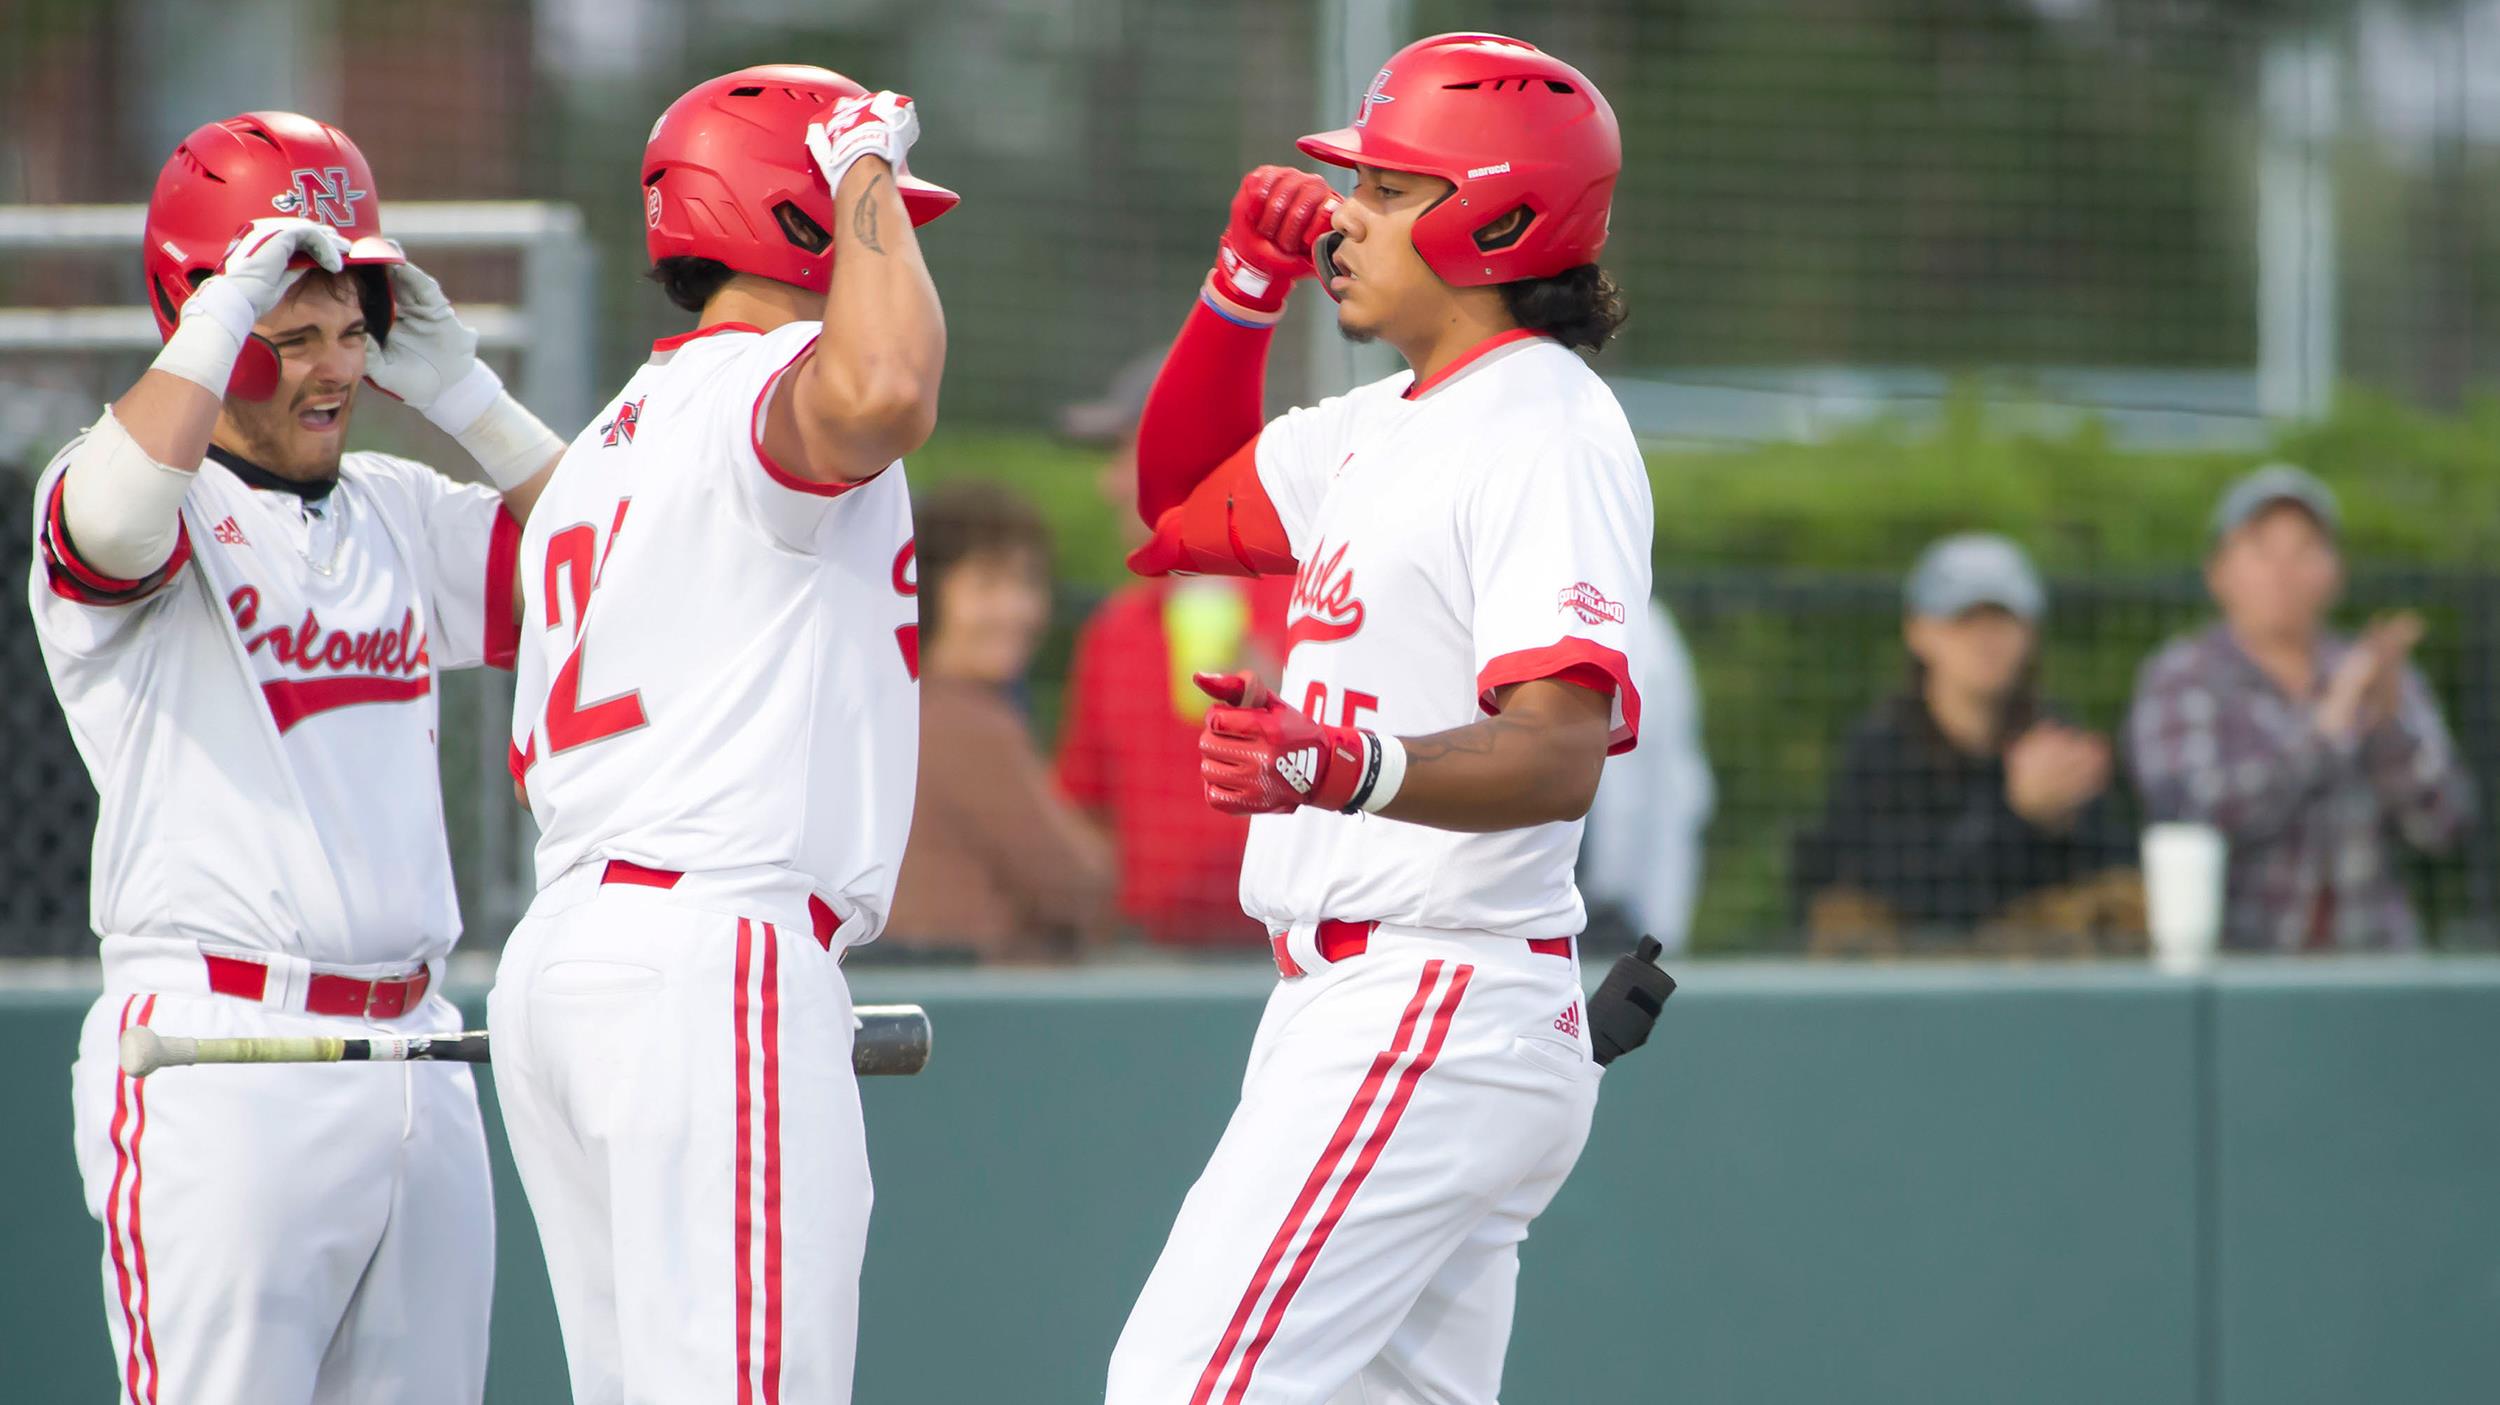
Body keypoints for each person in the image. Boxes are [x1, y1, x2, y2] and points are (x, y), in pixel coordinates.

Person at [1104, 34, 1649, 1403]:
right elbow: (1177, 504)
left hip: (1434, 993)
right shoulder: (1383, 422)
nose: (1343, 211)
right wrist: (1239, 288)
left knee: (1180, 1388)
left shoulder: (1545, 427)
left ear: (1501, 217)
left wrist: (1348, 766)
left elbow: (1559, 748)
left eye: (1392, 188)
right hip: (1374, 999)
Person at [32, 112, 566, 1404]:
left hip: (417, 1058)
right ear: (205, 325)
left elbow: (618, 567)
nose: (331, 369)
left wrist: (466, 398)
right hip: (222, 1057)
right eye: (290, 336)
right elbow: (110, 519)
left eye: (348, 329)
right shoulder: (132, 497)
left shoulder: (392, 505)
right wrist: (218, 323)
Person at [490, 66, 951, 1403]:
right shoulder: (760, 380)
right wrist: (864, 158)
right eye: (871, 216)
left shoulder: (610, 439)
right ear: (801, 218)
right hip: (712, 947)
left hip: (580, 955)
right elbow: (881, 394)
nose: (896, 243)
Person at [2128, 466, 2473, 951]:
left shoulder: (2374, 672)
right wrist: (2326, 731)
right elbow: (2192, 816)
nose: (2283, 571)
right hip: (2240, 969)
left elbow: (2445, 825)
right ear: (2218, 572)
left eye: (2306, 549)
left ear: (2336, 573)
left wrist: (2386, 727)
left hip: (2374, 964)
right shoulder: (2183, 676)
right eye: (2262, 550)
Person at [1796, 534, 2141, 955]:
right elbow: (1907, 899)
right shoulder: (1881, 752)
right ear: (1919, 632)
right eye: (1964, 621)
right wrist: (2018, 817)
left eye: (2001, 621)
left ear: (2030, 633)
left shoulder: (2057, 743)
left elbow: (2116, 875)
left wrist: (2065, 822)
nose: (1985, 640)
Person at [1055, 351, 1291, 948]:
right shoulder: (1115, 631)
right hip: (1150, 958)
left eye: (1124, 455)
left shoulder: (1317, 603)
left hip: (1300, 947)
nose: (1108, 485)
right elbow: (1082, 812)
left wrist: (1296, 712)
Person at [887, 480, 1114, 959]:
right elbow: (1079, 885)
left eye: (1029, 583)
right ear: (930, 590)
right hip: (972, 1002)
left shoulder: (902, 702)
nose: (1019, 610)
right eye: (987, 584)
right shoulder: (965, 721)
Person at [1578, 596, 1714, 953]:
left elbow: (1678, 789)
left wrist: (1662, 931)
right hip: (1522, 906)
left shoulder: (1651, 635)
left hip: (1618, 913)